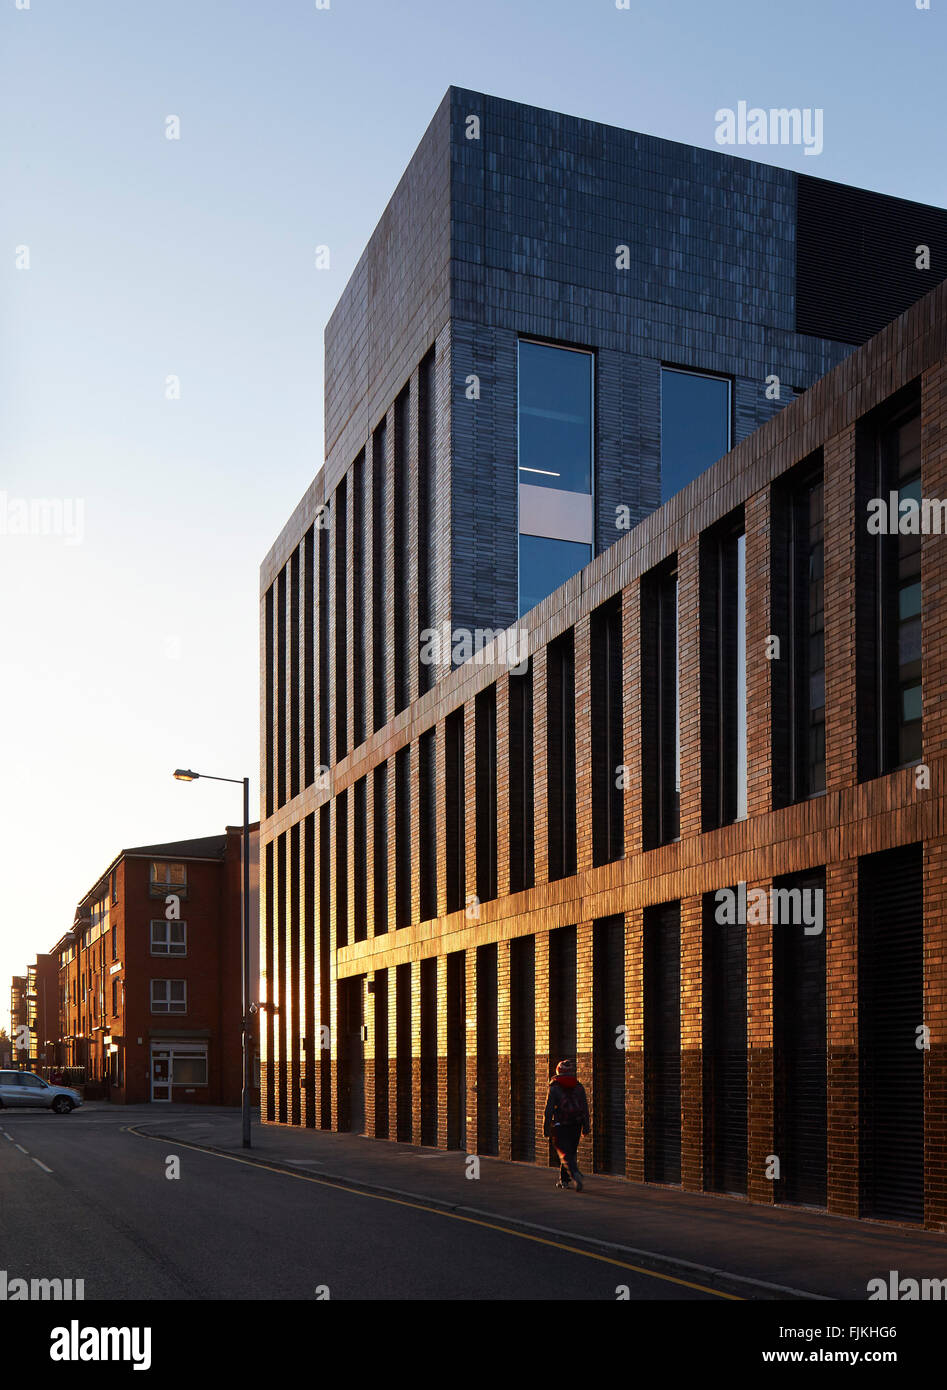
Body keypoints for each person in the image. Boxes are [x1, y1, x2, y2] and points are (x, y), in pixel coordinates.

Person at [542, 1058, 590, 1190]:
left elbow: (548, 1110)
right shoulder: (578, 1086)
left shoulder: (554, 1087)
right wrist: (586, 1126)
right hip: (576, 1124)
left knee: (564, 1152)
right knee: (571, 1152)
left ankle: (574, 1173)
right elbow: (585, 1108)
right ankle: (564, 1180)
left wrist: (546, 1128)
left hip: (560, 1124)